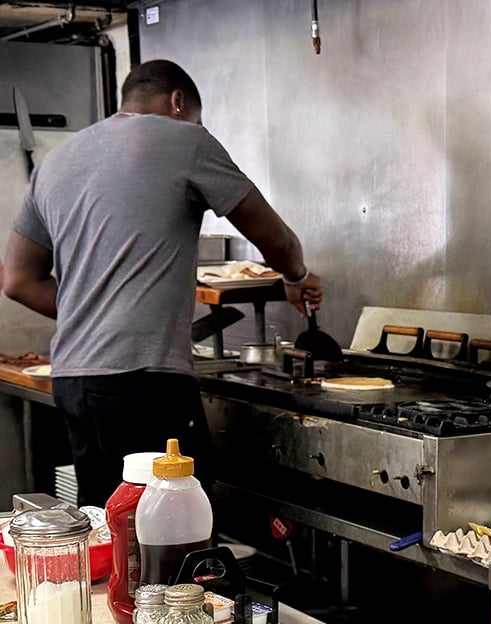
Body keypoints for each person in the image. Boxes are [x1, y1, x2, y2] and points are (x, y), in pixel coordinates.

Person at [1, 59, 323, 507]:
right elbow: (276, 240)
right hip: (143, 380)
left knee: (109, 523)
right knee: (176, 525)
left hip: (74, 378)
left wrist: (92, 310)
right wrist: (297, 276)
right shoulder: (185, 139)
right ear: (178, 101)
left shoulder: (57, 162)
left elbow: (17, 281)